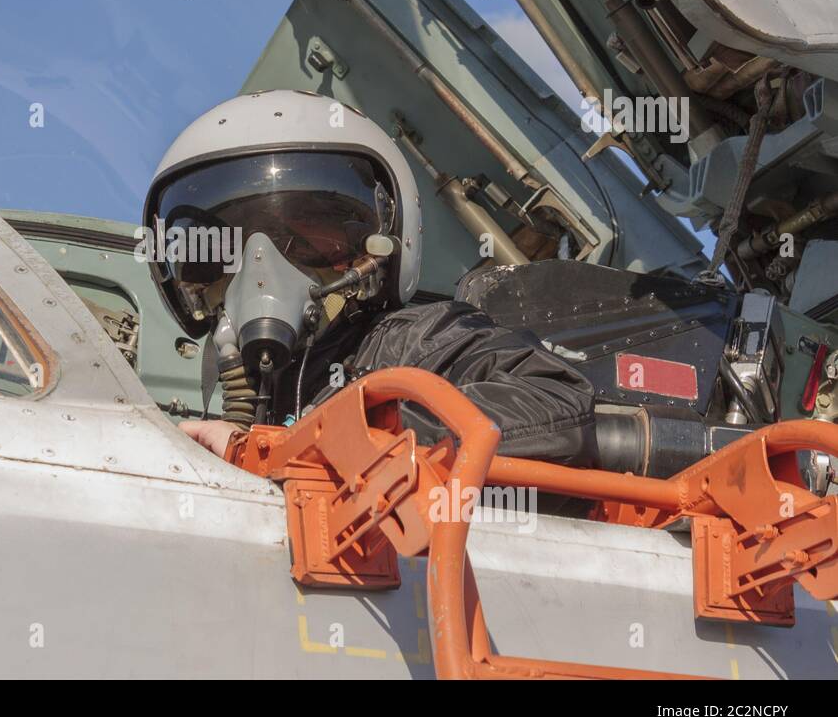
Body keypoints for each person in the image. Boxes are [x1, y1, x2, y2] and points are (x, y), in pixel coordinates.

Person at [143, 90, 597, 461]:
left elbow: (554, 401)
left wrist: (325, 443)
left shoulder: (415, 341)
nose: (261, 270)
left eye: (304, 239)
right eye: (228, 250)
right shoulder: (258, 392)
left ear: (374, 248)